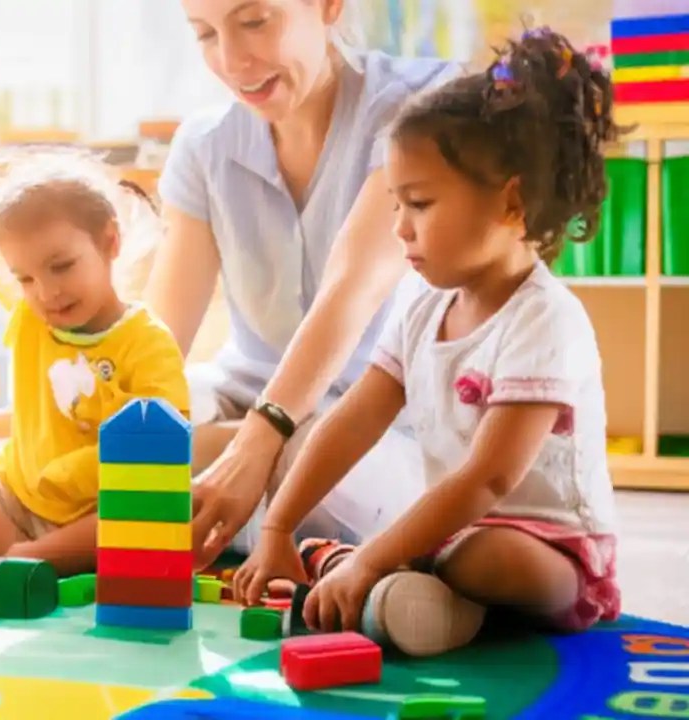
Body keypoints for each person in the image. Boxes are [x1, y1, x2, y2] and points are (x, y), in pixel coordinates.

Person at [234, 28, 623, 657]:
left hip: (551, 556)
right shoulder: (424, 308)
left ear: (512, 204)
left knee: (490, 558)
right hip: (451, 534)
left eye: (418, 204)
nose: (399, 228)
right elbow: (351, 420)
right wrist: (278, 522)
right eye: (396, 204)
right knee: (451, 545)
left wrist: (375, 560)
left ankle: (376, 573)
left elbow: (488, 480)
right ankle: (408, 591)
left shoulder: (545, 320)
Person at [146, 0, 464, 568]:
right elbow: (157, 342)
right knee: (138, 430)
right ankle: (236, 502)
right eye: (204, 34)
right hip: (238, 399)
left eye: (254, 22)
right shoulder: (204, 145)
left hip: (383, 427)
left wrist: (253, 443)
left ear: (328, 6)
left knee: (307, 460)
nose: (231, 60)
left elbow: (353, 290)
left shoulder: (421, 109)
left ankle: (211, 495)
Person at [0, 154, 190, 574]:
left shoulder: (146, 342)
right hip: (23, 498)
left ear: (110, 242)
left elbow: (161, 448)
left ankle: (20, 561)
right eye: (25, 279)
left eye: (61, 267)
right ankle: (24, 558)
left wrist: (71, 475)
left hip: (97, 511)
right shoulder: (32, 318)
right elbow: (53, 407)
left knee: (159, 514)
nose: (47, 292)